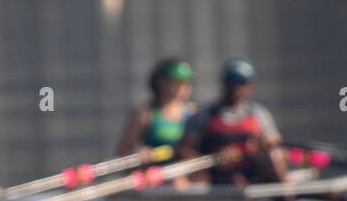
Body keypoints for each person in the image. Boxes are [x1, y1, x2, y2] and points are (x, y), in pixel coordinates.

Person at [178, 57, 288, 186]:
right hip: (214, 177)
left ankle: (285, 192)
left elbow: (274, 140)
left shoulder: (258, 113)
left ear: (250, 86)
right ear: (224, 83)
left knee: (276, 154)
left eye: (241, 82)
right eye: (231, 81)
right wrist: (217, 158)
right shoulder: (204, 114)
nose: (235, 88)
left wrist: (264, 144)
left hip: (252, 174)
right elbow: (184, 149)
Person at [114, 58, 194, 159]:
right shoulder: (144, 114)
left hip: (186, 171)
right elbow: (123, 152)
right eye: (176, 82)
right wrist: (138, 155)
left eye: (185, 82)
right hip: (156, 171)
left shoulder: (193, 112)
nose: (183, 86)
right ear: (161, 82)